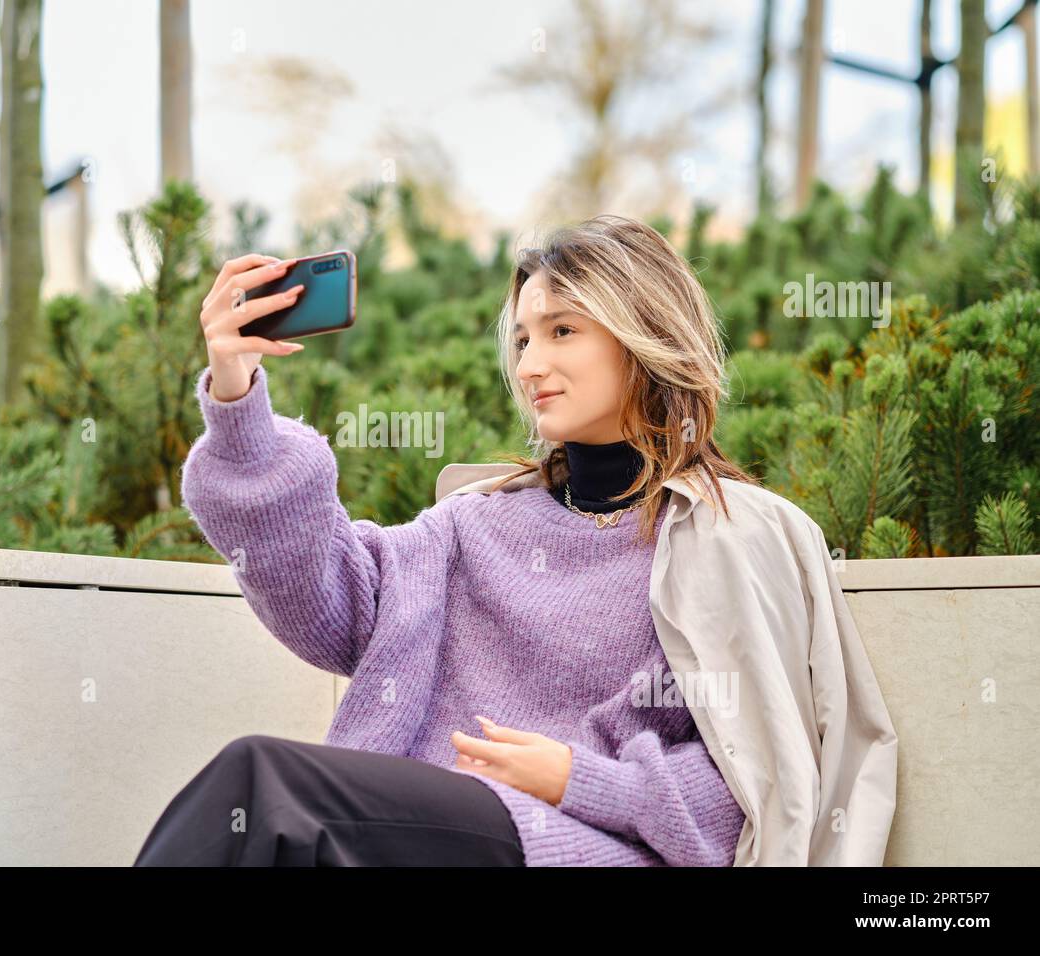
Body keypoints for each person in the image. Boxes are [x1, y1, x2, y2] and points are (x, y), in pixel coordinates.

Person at [134, 215, 759, 867]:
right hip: (407, 830)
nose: (530, 366)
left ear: (645, 335)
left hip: (565, 847)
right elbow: (327, 601)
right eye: (522, 339)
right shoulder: (472, 527)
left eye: (562, 331)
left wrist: (578, 778)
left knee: (263, 786)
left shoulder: (721, 541)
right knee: (258, 793)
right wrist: (236, 398)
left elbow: (754, 783)